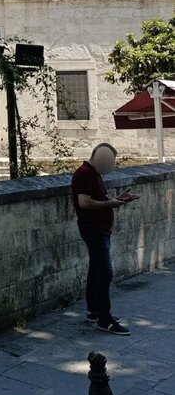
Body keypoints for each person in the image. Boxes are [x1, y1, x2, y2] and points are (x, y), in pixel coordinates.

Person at [71, 143, 138, 336]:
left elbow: (98, 199)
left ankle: (94, 311)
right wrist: (112, 204)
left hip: (99, 229)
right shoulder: (85, 174)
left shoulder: (94, 174)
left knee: (96, 270)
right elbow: (84, 203)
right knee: (105, 272)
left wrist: (118, 199)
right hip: (93, 230)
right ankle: (104, 319)